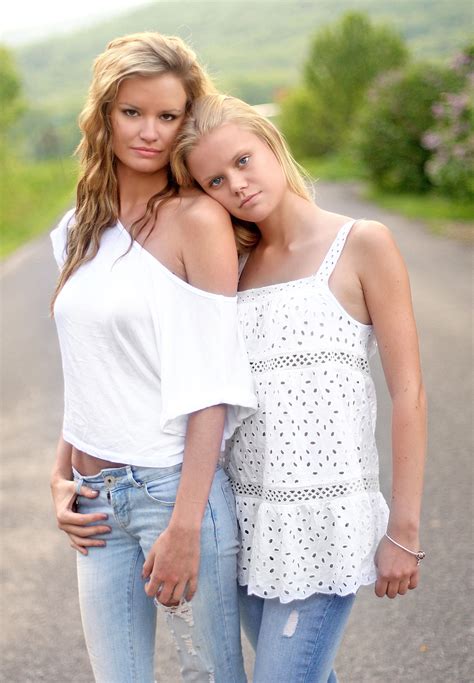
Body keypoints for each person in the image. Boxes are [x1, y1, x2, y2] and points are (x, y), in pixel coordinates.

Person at [171, 93, 427, 683]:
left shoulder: (362, 243)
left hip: (325, 524)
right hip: (246, 522)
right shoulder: (230, 266)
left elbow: (408, 392)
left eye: (242, 160)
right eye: (214, 179)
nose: (235, 184)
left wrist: (405, 532)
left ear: (272, 146)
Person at [49, 36, 257, 683]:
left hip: (172, 490)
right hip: (94, 500)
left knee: (213, 677)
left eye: (168, 117)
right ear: (105, 114)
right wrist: (61, 477)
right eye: (133, 112)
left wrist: (187, 525)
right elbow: (86, 370)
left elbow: (212, 382)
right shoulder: (78, 226)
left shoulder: (197, 219)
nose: (149, 132)